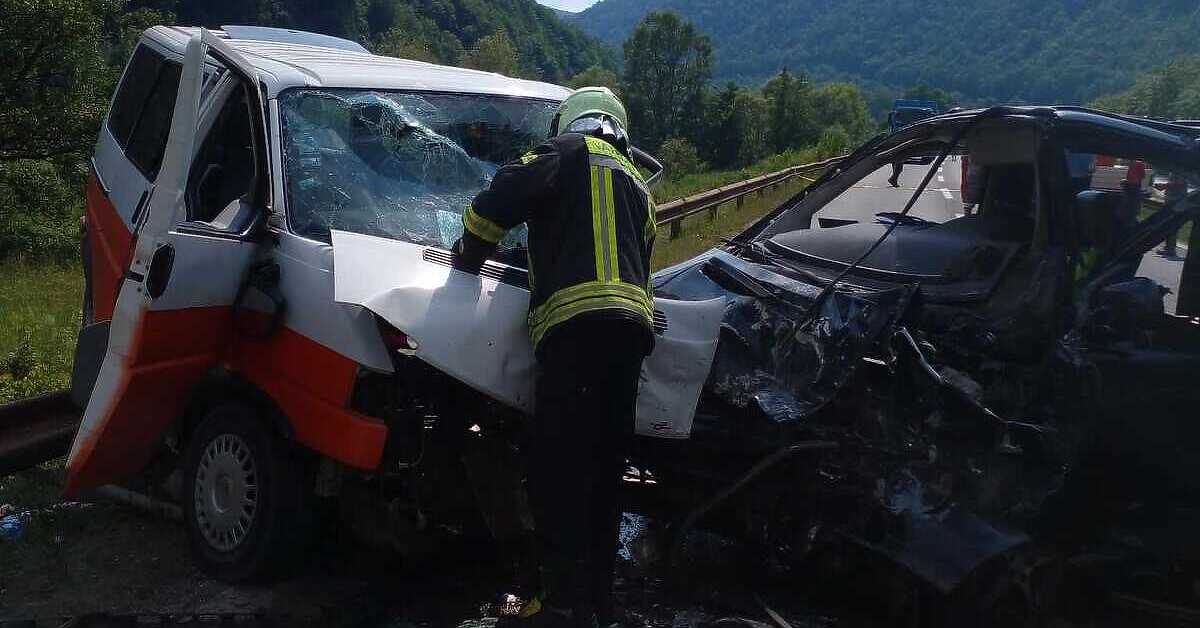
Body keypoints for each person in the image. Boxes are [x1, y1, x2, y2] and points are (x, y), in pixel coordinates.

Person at [451, 86, 656, 628]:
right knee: (604, 471)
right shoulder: (637, 182)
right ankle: (598, 604)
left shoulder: (564, 154)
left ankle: (559, 606)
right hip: (630, 337)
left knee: (557, 470)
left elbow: (497, 200)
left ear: (570, 122)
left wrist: (468, 259)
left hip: (574, 335)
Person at [1160, 172, 1188, 257]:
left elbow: (1179, 182)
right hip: (1170, 202)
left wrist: (1167, 185)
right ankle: (1167, 247)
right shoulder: (1174, 171)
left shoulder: (1180, 172)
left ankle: (1171, 249)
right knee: (1167, 225)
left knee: (1172, 226)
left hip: (1175, 203)